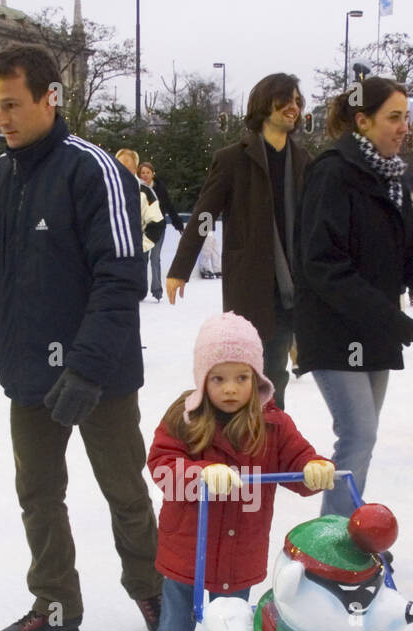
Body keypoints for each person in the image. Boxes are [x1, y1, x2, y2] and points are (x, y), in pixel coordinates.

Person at [0, 45, 163, 631]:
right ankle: (54, 604)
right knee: (38, 495)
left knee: (124, 490)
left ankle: (155, 591)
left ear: (51, 97)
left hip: (99, 378)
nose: (3, 118)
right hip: (29, 376)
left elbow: (120, 278)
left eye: (13, 104)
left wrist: (86, 369)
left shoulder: (93, 170)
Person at [129, 313, 335, 631]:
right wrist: (202, 474)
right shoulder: (183, 418)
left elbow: (298, 462)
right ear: (202, 379)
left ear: (256, 378)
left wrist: (312, 469)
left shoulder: (273, 424)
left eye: (241, 378)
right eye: (218, 378)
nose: (229, 389)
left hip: (238, 556)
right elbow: (162, 468)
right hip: (188, 551)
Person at [293, 76, 413, 518]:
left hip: (374, 328)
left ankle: (346, 534)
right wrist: (388, 317)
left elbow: (411, 259)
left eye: (406, 118)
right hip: (333, 328)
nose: (404, 128)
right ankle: (334, 541)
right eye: (394, 118)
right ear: (362, 121)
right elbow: (322, 263)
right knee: (357, 434)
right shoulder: (333, 173)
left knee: (363, 437)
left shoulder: (392, 181)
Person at [166, 73, 310, 409]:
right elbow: (204, 215)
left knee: (276, 376)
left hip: (296, 288)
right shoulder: (234, 158)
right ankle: (245, 445)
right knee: (247, 373)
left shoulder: (304, 161)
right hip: (251, 288)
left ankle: (271, 444)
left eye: (297, 101)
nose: (293, 107)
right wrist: (180, 267)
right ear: (263, 104)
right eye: (285, 100)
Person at [115, 148, 165, 300]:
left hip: (136, 250)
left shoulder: (144, 192)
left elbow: (156, 222)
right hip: (112, 254)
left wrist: (141, 246)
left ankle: (154, 290)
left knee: (153, 261)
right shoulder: (104, 187)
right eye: (120, 165)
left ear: (134, 169)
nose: (123, 170)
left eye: (128, 167)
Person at [138, 160, 181, 301]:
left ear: (152, 173)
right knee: (142, 259)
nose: (145, 175)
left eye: (147, 173)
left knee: (155, 258)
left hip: (157, 228)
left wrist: (178, 225)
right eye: (142, 173)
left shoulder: (159, 188)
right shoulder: (136, 187)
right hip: (142, 229)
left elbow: (169, 206)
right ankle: (141, 289)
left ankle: (157, 289)